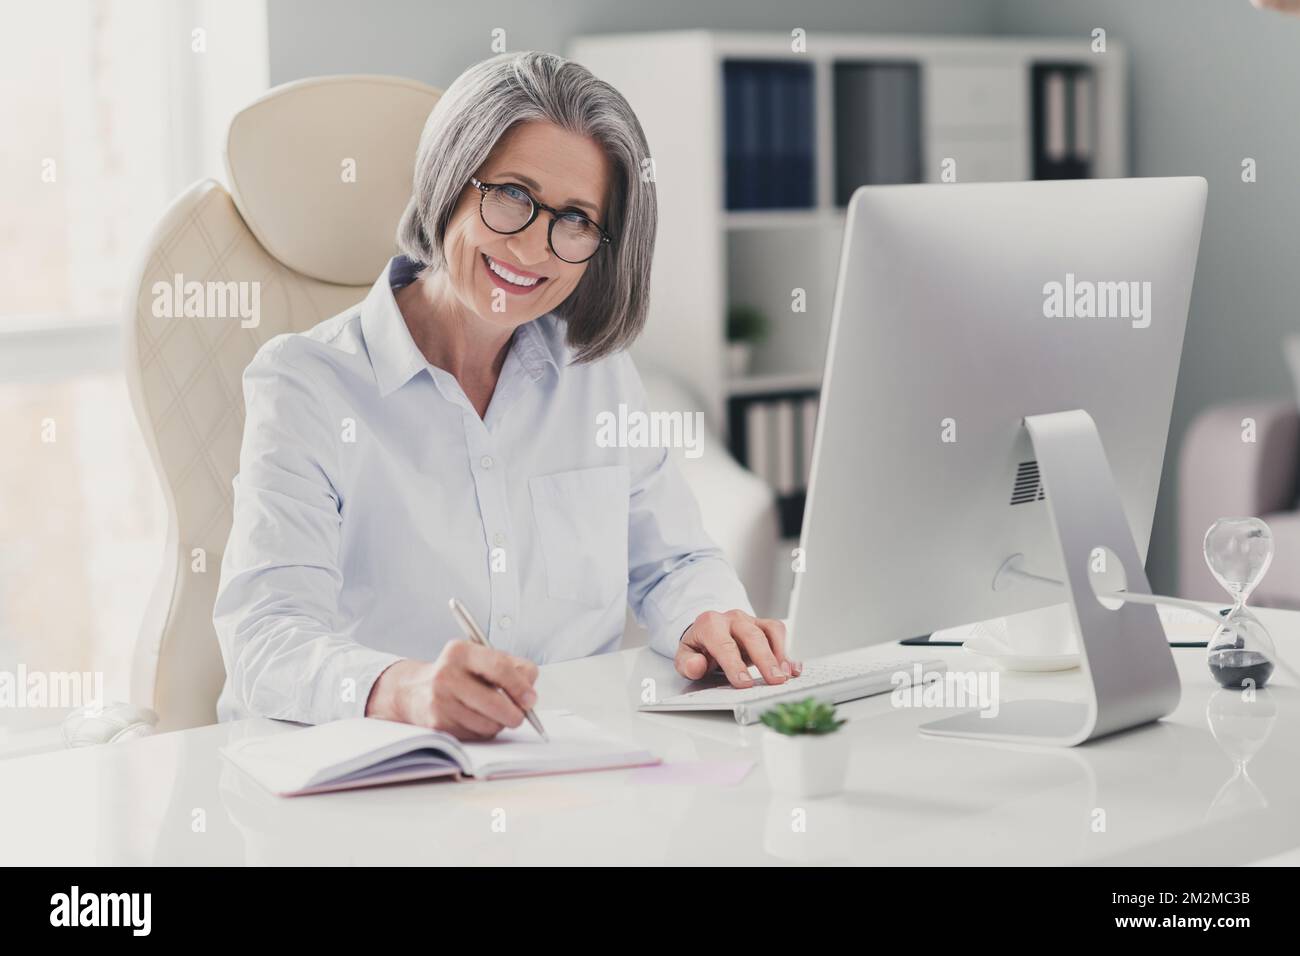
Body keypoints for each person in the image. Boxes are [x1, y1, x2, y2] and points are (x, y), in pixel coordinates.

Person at [213, 51, 799, 740]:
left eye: (576, 218)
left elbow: (675, 561)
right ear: (448, 183)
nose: (533, 248)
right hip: (372, 777)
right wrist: (402, 689)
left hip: (567, 773)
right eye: (512, 196)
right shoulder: (306, 385)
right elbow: (266, 637)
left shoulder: (598, 375)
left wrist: (710, 619)